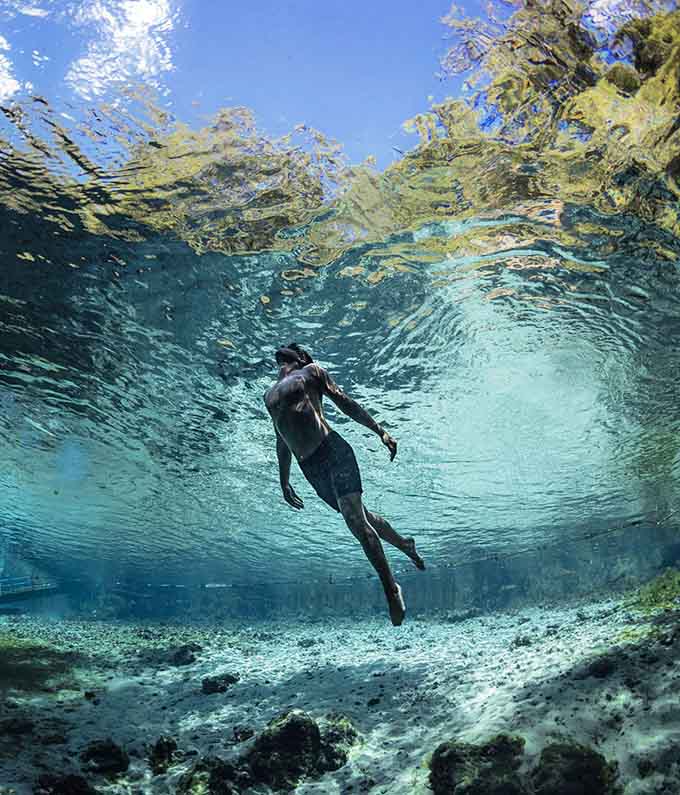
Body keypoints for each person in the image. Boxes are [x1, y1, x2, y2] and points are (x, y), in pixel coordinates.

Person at [264, 343, 425, 626]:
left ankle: (390, 588)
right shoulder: (268, 396)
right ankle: (403, 543)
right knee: (362, 517)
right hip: (309, 467)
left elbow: (344, 401)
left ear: (301, 357)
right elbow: (281, 439)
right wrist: (284, 480)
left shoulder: (311, 371)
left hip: (333, 452)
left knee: (354, 520)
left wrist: (380, 431)